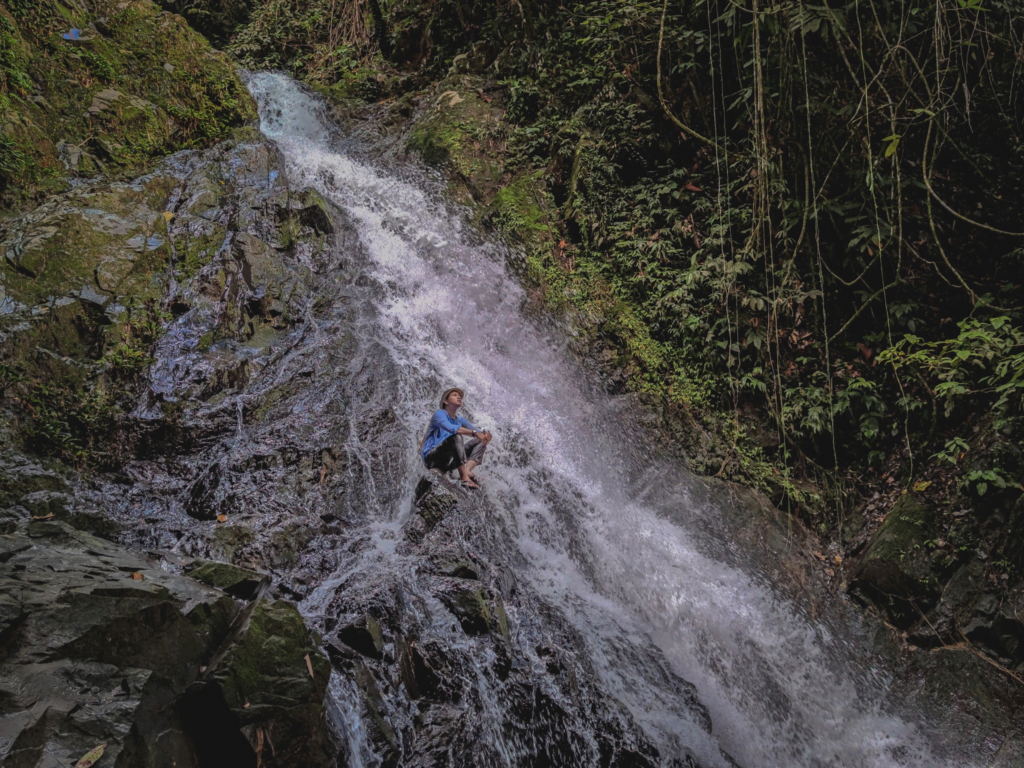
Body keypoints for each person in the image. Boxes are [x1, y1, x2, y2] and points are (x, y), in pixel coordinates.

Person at [422, 387, 492, 489]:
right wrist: (475, 433)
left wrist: (486, 435)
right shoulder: (439, 414)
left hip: (448, 461)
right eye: (454, 395)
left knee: (479, 441)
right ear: (445, 401)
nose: (458, 397)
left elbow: (478, 431)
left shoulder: (459, 419)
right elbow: (452, 428)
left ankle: (467, 470)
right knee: (456, 437)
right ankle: (464, 478)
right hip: (432, 459)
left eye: (459, 396)